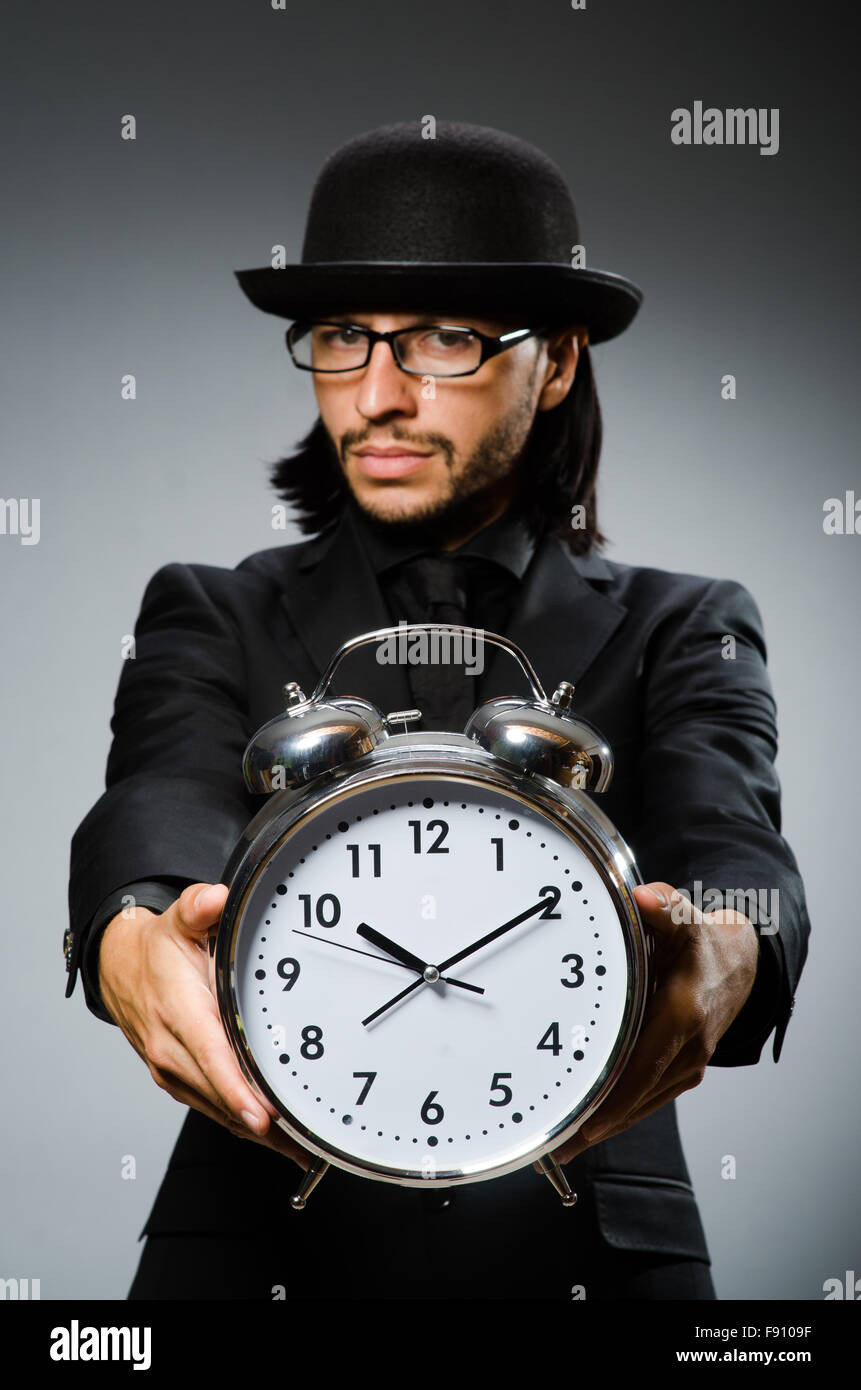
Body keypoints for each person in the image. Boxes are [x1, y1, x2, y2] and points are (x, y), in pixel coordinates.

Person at [64, 120, 810, 1301]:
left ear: (556, 361)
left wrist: (730, 949)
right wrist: (128, 930)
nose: (376, 394)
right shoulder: (215, 608)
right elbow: (156, 792)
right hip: (252, 1253)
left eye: (444, 341)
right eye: (343, 338)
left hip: (598, 1256)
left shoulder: (688, 622)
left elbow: (739, 844)